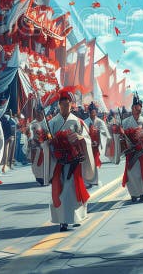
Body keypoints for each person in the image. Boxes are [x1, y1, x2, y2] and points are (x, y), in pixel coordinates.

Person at [43, 87, 95, 232]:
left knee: (71, 190)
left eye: (67, 104)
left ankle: (74, 217)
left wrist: (80, 137)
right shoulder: (52, 122)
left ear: (71, 105)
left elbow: (87, 139)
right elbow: (46, 140)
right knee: (60, 191)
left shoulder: (78, 122)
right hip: (59, 162)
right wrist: (47, 140)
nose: (65, 107)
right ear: (59, 105)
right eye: (63, 104)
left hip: (74, 161)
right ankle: (63, 220)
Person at [116, 94, 143, 202]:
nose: (137, 110)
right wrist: (121, 134)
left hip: (141, 151)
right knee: (130, 174)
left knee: (140, 173)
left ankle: (142, 192)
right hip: (130, 152)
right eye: (135, 107)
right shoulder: (125, 122)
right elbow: (121, 138)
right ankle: (133, 194)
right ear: (132, 108)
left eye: (139, 108)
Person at [83, 103, 110, 188]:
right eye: (91, 112)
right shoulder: (85, 122)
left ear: (96, 112)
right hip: (88, 145)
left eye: (94, 112)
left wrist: (98, 132)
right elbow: (83, 133)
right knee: (88, 163)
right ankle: (88, 180)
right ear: (89, 112)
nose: (93, 114)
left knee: (94, 162)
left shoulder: (100, 122)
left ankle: (94, 180)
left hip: (96, 145)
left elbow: (105, 133)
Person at [29, 106, 50, 186]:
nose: (38, 115)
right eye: (37, 113)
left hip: (45, 145)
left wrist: (48, 138)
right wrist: (32, 140)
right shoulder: (33, 123)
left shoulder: (47, 122)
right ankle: (38, 176)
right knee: (35, 163)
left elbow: (50, 134)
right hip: (35, 146)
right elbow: (30, 135)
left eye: (40, 113)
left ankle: (45, 177)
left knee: (45, 162)